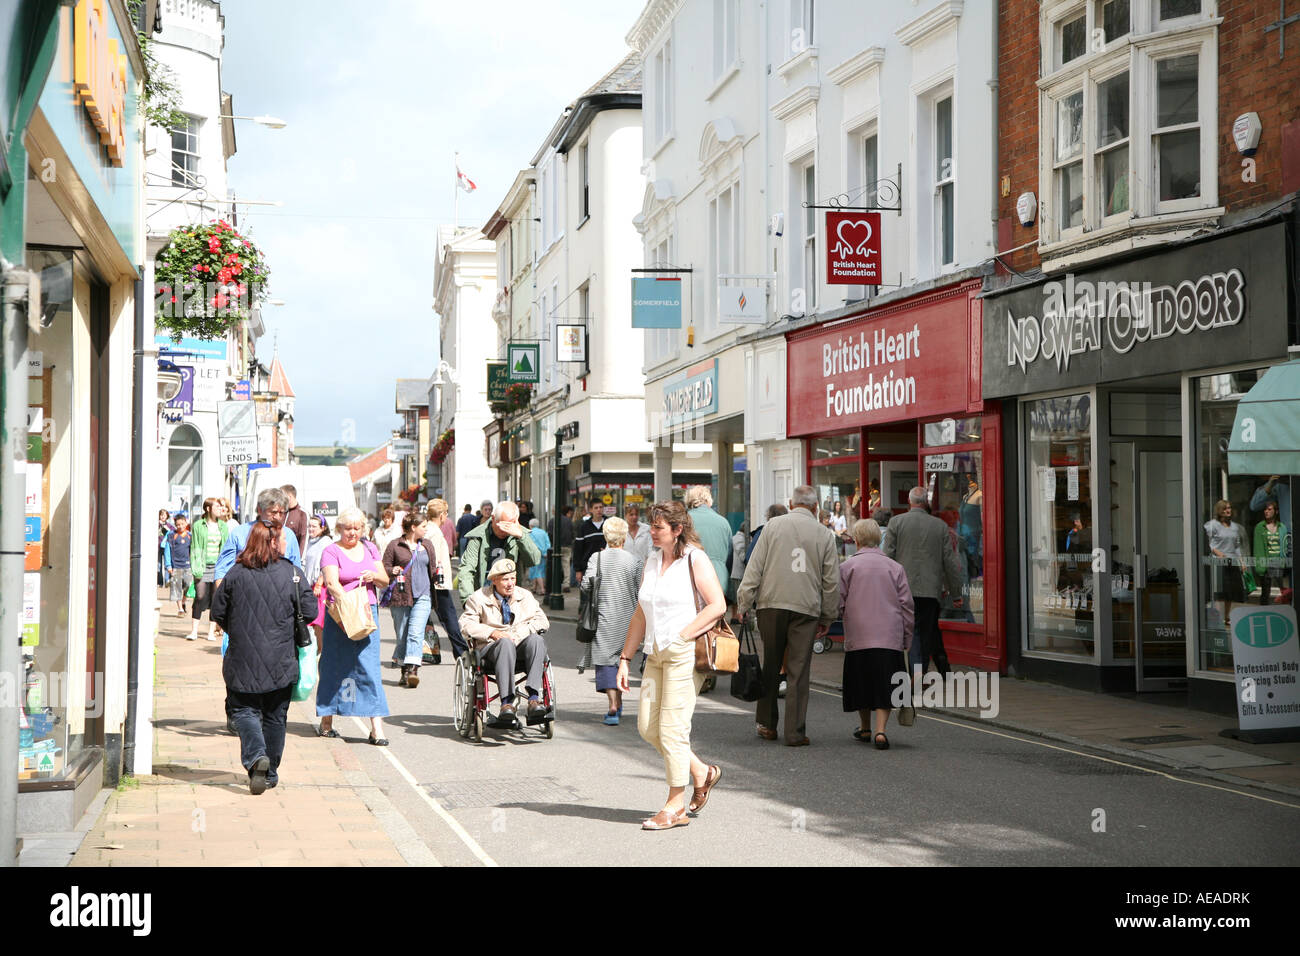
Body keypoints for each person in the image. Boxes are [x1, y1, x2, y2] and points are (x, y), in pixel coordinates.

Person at [616, 501, 724, 830]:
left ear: (677, 530)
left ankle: (675, 806)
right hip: (655, 654)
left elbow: (717, 604)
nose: (652, 532)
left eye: (659, 527)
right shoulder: (650, 560)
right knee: (648, 727)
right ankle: (701, 772)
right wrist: (624, 658)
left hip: (682, 653)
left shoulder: (695, 558)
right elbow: (640, 613)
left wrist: (683, 636)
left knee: (673, 730)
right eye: (652, 526)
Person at [210, 520, 315, 794]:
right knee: (275, 716)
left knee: (244, 710)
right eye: (280, 538)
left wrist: (238, 630)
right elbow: (311, 611)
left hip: (242, 658)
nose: (284, 542)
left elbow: (218, 611)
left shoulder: (235, 573)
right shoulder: (292, 573)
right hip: (281, 659)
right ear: (272, 542)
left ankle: (256, 756)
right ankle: (269, 773)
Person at [736, 485, 839, 746]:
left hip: (772, 603)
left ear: (792, 504)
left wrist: (744, 602)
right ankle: (794, 732)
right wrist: (828, 616)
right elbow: (831, 582)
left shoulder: (772, 527)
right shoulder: (825, 535)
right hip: (806, 607)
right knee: (798, 669)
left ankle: (767, 725)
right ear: (816, 508)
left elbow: (755, 567)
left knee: (771, 663)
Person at [316, 507, 391, 745]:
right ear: (339, 529)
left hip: (368, 613)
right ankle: (326, 721)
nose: (353, 533)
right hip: (340, 615)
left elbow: (384, 580)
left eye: (357, 528)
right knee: (333, 666)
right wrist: (349, 605)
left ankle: (376, 728)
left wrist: (374, 577)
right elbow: (331, 582)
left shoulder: (370, 548)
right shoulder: (331, 550)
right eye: (348, 528)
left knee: (369, 668)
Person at [839, 519, 914, 750]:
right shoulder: (895, 567)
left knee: (862, 682)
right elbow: (907, 606)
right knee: (886, 684)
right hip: (889, 636)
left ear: (857, 540)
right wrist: (907, 637)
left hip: (859, 635)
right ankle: (881, 731)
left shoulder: (848, 567)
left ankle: (865, 727)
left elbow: (839, 602)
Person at [459, 559, 552, 727]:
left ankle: (533, 700)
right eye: (505, 579)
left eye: (513, 579)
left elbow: (542, 621)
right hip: (491, 649)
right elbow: (466, 625)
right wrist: (492, 633)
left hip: (520, 644)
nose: (510, 584)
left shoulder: (525, 596)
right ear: (494, 580)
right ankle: (507, 703)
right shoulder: (478, 598)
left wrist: (521, 632)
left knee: (537, 640)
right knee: (505, 643)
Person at [884, 487, 963, 677]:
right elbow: (950, 562)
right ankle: (920, 673)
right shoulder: (940, 526)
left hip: (902, 590)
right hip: (930, 590)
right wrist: (956, 593)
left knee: (908, 633)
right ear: (925, 502)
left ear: (910, 502)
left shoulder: (896, 522)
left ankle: (913, 674)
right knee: (924, 633)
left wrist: (885, 588)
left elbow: (887, 558)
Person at [580, 516, 641, 725]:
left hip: (604, 616)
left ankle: (613, 705)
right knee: (620, 661)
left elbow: (586, 586)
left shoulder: (596, 558)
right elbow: (641, 591)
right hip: (629, 618)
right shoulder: (635, 561)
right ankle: (619, 702)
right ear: (624, 537)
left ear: (606, 536)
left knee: (606, 662)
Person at [382, 512, 436, 687]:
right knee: (403, 636)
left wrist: (438, 576)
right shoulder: (395, 545)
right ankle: (404, 669)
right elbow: (384, 567)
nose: (426, 529)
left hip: (423, 595)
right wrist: (393, 570)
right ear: (413, 527)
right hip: (401, 596)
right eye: (423, 526)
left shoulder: (427, 545)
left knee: (415, 633)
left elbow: (433, 568)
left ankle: (413, 669)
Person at [457, 500, 541, 601]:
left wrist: (521, 537)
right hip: (485, 594)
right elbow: (466, 570)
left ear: (515, 522)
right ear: (493, 518)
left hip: (510, 596)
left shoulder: (519, 534)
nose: (504, 530)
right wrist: (468, 600)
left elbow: (534, 560)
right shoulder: (478, 537)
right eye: (501, 525)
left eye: (508, 526)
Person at [215, 489, 303, 582]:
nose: (277, 517)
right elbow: (222, 571)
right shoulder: (239, 533)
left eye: (281, 513)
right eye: (273, 512)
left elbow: (297, 571)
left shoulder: (288, 535)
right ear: (260, 510)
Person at [424, 499, 468, 659]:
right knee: (449, 618)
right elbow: (431, 558)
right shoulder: (434, 532)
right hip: (437, 582)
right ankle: (461, 651)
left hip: (432, 582)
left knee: (428, 617)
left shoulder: (427, 530)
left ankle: (433, 651)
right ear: (442, 515)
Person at [189, 498, 231, 641]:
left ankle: (211, 632)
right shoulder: (198, 526)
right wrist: (195, 567)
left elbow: (225, 548)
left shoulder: (223, 526)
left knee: (215, 598)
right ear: (208, 509)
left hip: (217, 566)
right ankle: (194, 630)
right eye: (217, 506)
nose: (220, 509)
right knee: (200, 596)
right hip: (202, 565)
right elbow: (194, 547)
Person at [1204, 499, 1249, 627]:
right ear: (1219, 511)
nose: (1228, 510)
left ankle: (1226, 617)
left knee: (1230, 592)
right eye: (1225, 509)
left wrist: (1242, 562)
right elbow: (1207, 543)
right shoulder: (1212, 525)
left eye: (1229, 508)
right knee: (1220, 593)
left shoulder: (1235, 527)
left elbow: (1237, 546)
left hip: (1232, 562)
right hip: (1219, 563)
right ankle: (1218, 617)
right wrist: (1217, 552)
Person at [685, 485, 732, 593]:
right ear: (709, 500)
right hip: (719, 580)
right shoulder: (723, 522)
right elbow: (730, 558)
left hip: (691, 580)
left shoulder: (684, 520)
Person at [302, 514, 333, 647]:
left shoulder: (326, 541)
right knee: (313, 622)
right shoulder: (310, 542)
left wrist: (319, 583)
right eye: (309, 526)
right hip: (311, 586)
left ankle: (321, 652)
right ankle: (318, 652)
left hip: (320, 588)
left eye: (314, 526)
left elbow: (326, 564)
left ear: (323, 528)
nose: (310, 529)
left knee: (319, 622)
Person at [1254, 499, 1291, 606]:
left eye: (1269, 509)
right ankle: (1264, 612)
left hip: (1279, 562)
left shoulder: (1281, 527)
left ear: (1276, 511)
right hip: (1266, 561)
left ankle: (1285, 611)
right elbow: (1258, 547)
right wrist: (1260, 564)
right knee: (1266, 591)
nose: (1266, 511)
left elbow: (1285, 545)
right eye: (1265, 509)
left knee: (1283, 590)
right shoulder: (1260, 527)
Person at [572, 499, 608, 585]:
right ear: (591, 510)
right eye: (596, 508)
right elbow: (578, 549)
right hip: (588, 567)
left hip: (606, 566)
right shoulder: (584, 527)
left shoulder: (609, 523)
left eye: (601, 507)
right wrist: (578, 570)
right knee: (588, 595)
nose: (599, 510)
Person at [164, 513, 194, 618]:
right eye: (177, 525)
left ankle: (184, 602)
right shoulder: (171, 536)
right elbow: (167, 551)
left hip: (187, 565)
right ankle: (180, 609)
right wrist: (168, 566)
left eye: (182, 524)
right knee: (177, 588)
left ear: (186, 523)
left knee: (187, 585)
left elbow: (193, 551)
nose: (180, 526)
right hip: (175, 566)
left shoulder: (190, 536)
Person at [728, 521, 748, 626]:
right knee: (738, 598)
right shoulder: (739, 539)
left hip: (739, 573)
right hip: (738, 573)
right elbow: (743, 556)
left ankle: (737, 617)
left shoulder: (738, 538)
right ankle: (737, 617)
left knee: (738, 597)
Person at [281, 484, 309, 556]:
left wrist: (299, 561)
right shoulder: (281, 512)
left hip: (293, 559)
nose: (280, 500)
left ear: (289, 497)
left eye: (282, 497)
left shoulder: (302, 514)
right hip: (279, 558)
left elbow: (304, 539)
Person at [527, 518, 551, 596]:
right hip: (544, 555)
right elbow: (548, 543)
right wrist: (545, 552)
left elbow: (531, 544)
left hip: (534, 555)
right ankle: (534, 587)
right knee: (541, 571)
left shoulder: (530, 533)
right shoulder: (543, 532)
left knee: (536, 572)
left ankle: (542, 589)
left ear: (531, 525)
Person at [554, 505, 575, 591]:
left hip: (556, 546)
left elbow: (551, 534)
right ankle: (566, 584)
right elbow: (572, 533)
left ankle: (556, 583)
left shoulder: (553, 520)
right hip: (567, 546)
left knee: (556, 565)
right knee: (566, 566)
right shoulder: (569, 521)